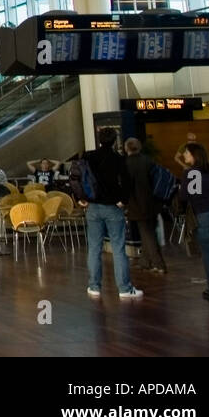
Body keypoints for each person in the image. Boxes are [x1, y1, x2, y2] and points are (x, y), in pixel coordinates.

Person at [74, 127, 142, 300]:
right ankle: (124, 289)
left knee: (94, 248)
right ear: (115, 140)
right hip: (112, 207)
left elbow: (78, 176)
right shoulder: (119, 159)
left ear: (99, 139)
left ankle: (94, 286)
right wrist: (122, 200)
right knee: (118, 248)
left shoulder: (89, 156)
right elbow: (127, 183)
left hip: (93, 207)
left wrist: (82, 197)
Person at [179, 142, 209, 301]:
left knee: (208, 255)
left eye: (186, 153)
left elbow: (185, 197)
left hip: (202, 215)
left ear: (194, 155)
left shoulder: (190, 173)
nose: (184, 155)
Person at [123, 138, 166, 274]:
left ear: (126, 148)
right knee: (148, 231)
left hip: (136, 203)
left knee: (147, 234)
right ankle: (145, 261)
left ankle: (159, 264)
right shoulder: (148, 161)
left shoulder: (126, 164)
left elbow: (126, 185)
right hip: (152, 201)